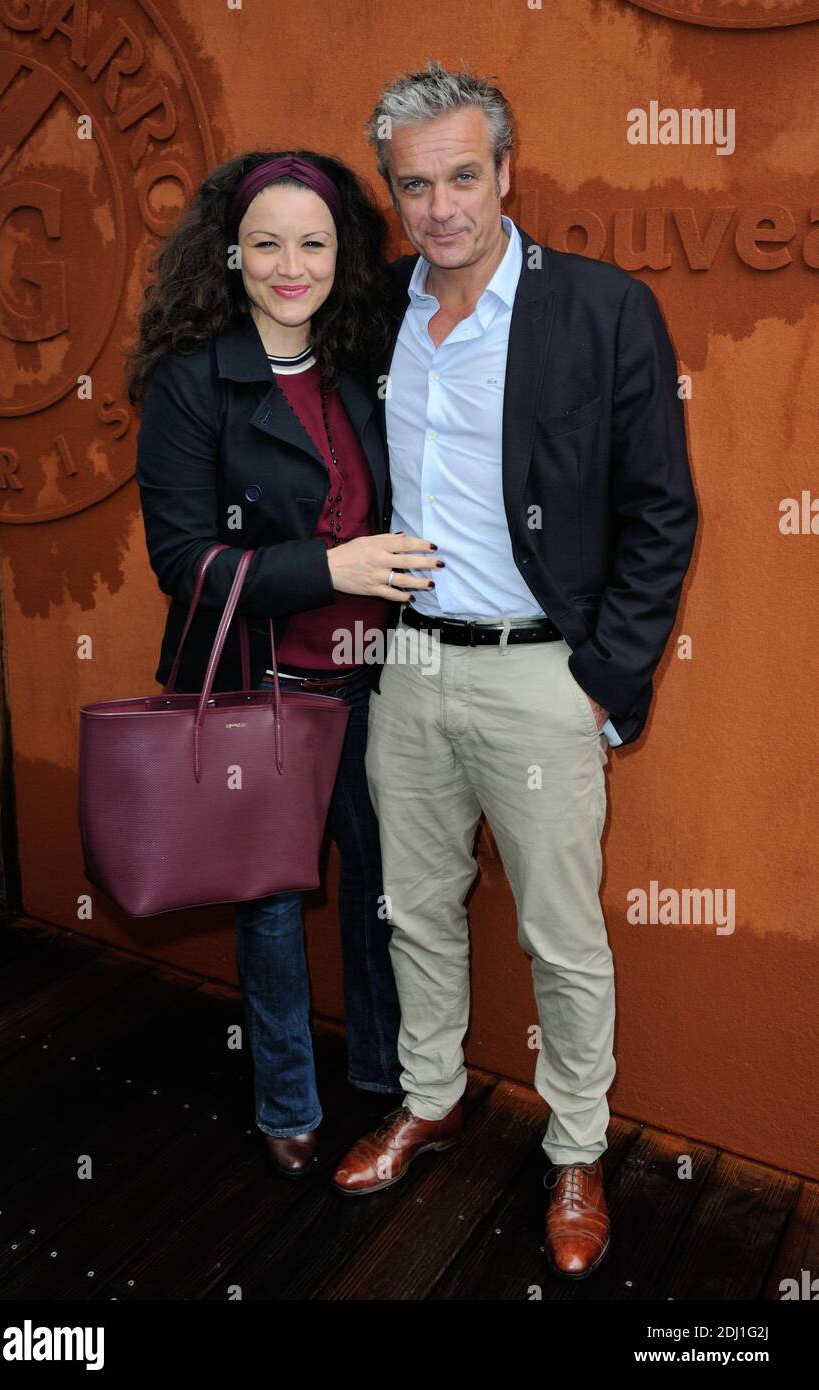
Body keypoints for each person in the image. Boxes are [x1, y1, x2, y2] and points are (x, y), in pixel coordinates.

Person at [332, 62, 698, 1280]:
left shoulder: (599, 309)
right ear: (392, 193)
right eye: (412, 185)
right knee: (415, 908)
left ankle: (577, 1149)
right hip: (409, 671)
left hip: (541, 681)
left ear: (504, 171)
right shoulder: (375, 311)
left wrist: (601, 675)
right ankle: (429, 1096)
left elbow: (660, 512)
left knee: (559, 935)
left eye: (460, 177)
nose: (439, 207)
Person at [127, 150, 439, 1177]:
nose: (289, 264)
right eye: (266, 243)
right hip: (264, 685)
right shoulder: (190, 381)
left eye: (312, 241)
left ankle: (383, 1075)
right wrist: (329, 564)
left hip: (374, 680)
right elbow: (186, 560)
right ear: (232, 252)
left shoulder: (360, 360)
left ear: (341, 252)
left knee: (378, 885)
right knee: (267, 899)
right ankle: (286, 1102)